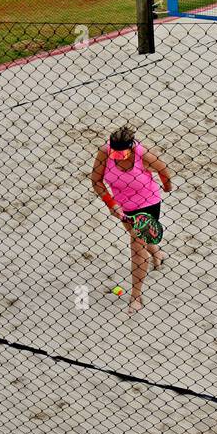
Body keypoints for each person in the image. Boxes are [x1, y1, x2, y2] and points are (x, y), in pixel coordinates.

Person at [90, 124, 173, 315]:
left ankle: (136, 295)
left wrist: (167, 187)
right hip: (123, 207)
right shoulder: (105, 152)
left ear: (132, 146)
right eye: (114, 153)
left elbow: (164, 170)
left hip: (147, 204)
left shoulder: (144, 155)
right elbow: (96, 181)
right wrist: (111, 204)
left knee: (136, 246)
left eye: (122, 154)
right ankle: (156, 253)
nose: (117, 157)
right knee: (140, 241)